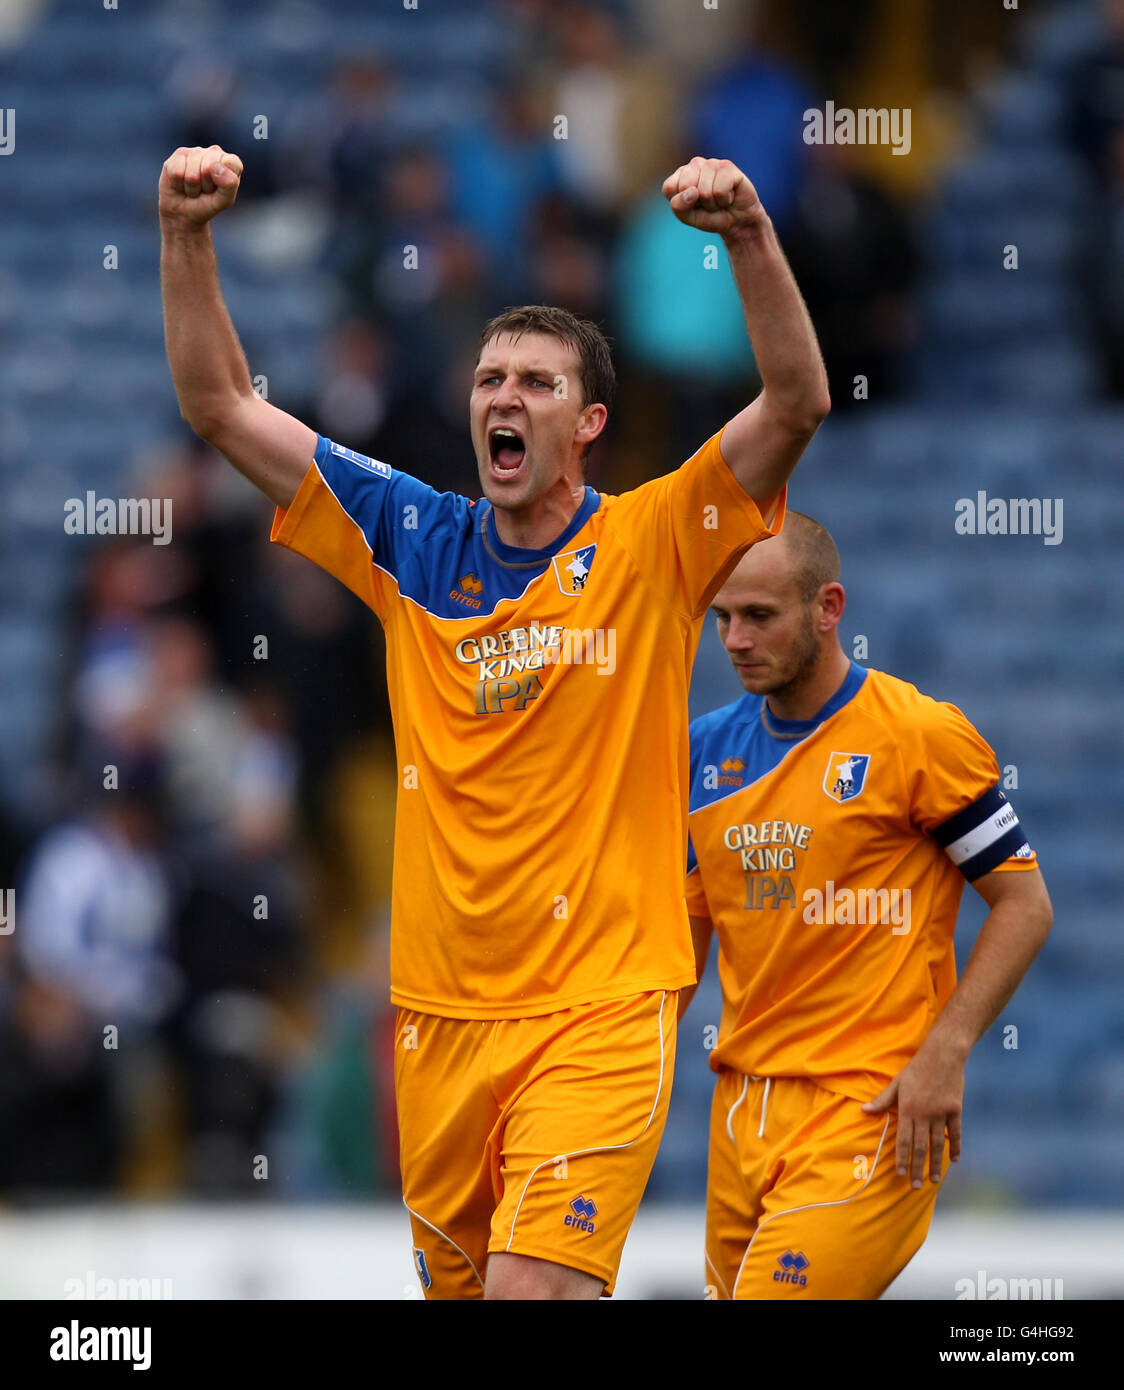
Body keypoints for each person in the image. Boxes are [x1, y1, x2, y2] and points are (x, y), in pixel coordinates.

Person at [159, 145, 829, 1300]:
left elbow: (796, 402)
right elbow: (221, 405)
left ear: (589, 424)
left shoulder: (653, 541)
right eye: (488, 380)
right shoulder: (406, 536)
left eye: (535, 382)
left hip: (600, 1005)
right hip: (436, 1018)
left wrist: (749, 239)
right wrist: (182, 233)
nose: (504, 398)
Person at [680, 514, 1053, 1300]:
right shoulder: (704, 754)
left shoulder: (919, 736)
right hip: (740, 1110)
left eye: (760, 616)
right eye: (723, 618)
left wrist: (947, 1048)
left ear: (828, 607)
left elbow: (1024, 904)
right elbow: (681, 945)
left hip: (873, 1107)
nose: (737, 640)